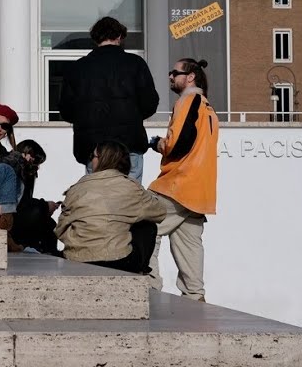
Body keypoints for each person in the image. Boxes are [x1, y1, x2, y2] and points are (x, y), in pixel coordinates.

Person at [147, 58, 219, 301]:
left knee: (145, 227)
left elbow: (178, 143)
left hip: (177, 185)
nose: (170, 76)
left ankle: (149, 289)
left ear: (190, 77)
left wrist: (158, 144)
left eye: (174, 73)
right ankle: (195, 297)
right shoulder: (208, 107)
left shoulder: (188, 101)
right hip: (200, 192)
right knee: (188, 245)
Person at [58, 16, 160, 182]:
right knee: (130, 199)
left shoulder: (77, 68)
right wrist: (132, 115)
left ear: (95, 38)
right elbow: (149, 103)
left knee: (99, 200)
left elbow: (67, 110)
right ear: (120, 37)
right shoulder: (135, 63)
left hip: (94, 148)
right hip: (130, 144)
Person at [56, 140, 165, 274]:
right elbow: (160, 213)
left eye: (93, 157)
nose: (91, 161)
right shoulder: (131, 187)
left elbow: (60, 229)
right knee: (147, 226)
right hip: (118, 260)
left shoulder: (77, 188)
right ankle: (139, 272)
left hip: (77, 258)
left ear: (103, 160)